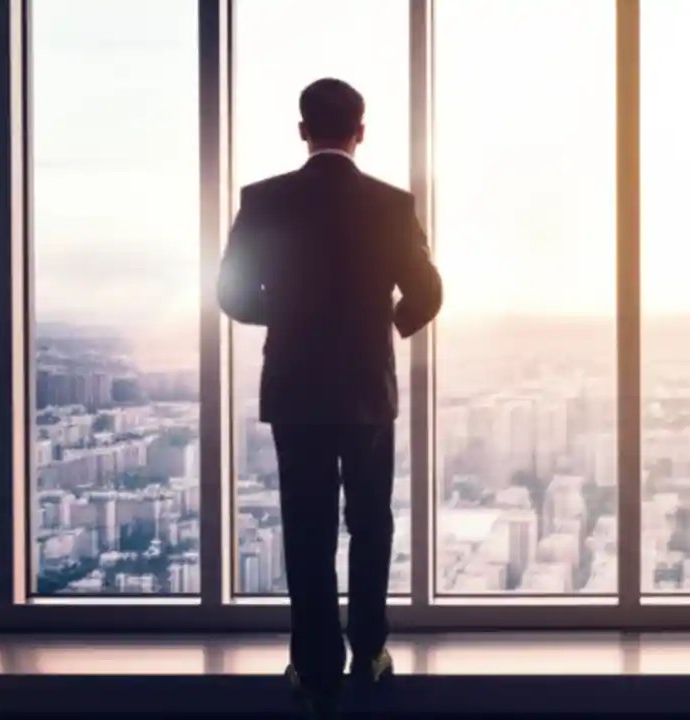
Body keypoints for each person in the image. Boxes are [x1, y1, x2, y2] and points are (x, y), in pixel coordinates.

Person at [217, 77, 441, 714]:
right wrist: (381, 326)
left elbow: (232, 296)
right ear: (361, 132)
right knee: (370, 523)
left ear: (302, 129)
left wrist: (290, 316)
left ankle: (316, 670)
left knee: (307, 529)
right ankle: (370, 652)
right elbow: (427, 292)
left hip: (296, 387)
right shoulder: (392, 205)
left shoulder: (264, 200)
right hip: (368, 387)